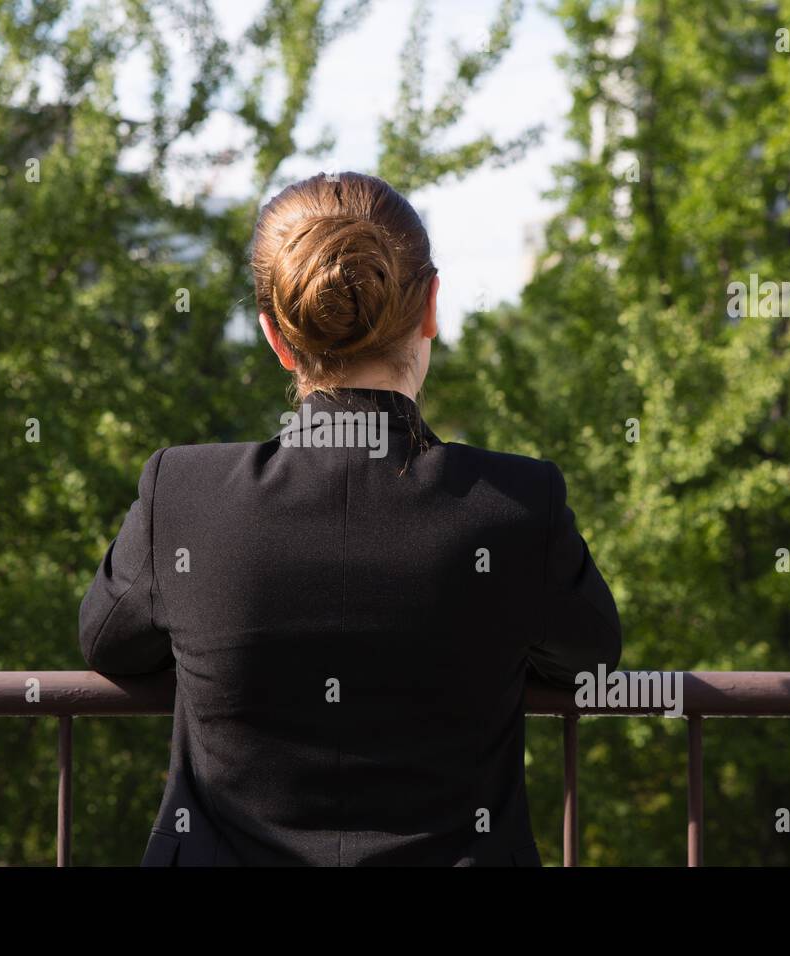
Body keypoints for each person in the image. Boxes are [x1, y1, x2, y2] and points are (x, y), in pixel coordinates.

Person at [79, 171, 622, 866]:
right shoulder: (515, 503)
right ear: (431, 308)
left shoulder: (182, 493)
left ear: (276, 337)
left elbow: (107, 644)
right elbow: (591, 656)